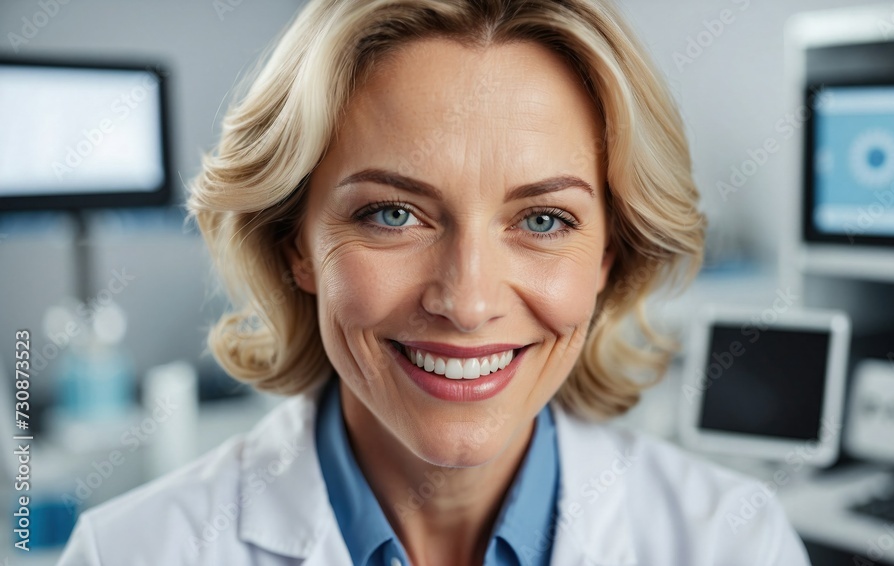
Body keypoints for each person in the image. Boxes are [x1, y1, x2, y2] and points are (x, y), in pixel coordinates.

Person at [58, 0, 811, 564]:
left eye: (544, 220)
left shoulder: (733, 542)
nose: (468, 300)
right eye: (393, 214)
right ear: (295, 243)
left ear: (609, 256)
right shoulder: (127, 552)